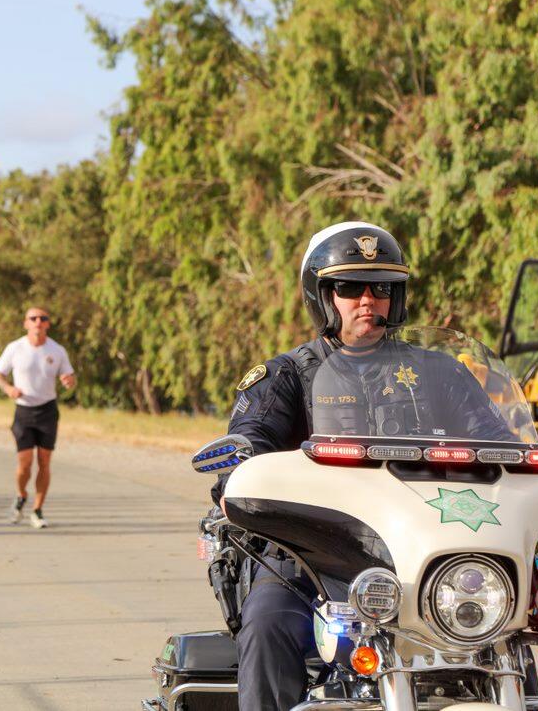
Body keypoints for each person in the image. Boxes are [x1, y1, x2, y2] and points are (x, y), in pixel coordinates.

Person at [216, 221, 508, 710]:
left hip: (425, 552)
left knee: (506, 631)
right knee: (268, 625)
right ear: (322, 296)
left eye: (382, 289)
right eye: (350, 288)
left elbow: (499, 445)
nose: (368, 300)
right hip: (311, 558)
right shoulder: (287, 376)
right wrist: (239, 475)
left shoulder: (441, 373)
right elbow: (247, 445)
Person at [0, 306, 75, 529]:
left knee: (44, 461)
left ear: (47, 323)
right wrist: (8, 388)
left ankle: (37, 510)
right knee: (25, 463)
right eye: (33, 318)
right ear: (26, 323)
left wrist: (68, 381)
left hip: (47, 410)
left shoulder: (57, 350)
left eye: (42, 318)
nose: (38, 321)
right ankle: (21, 495)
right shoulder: (15, 348)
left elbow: (69, 376)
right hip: (24, 410)